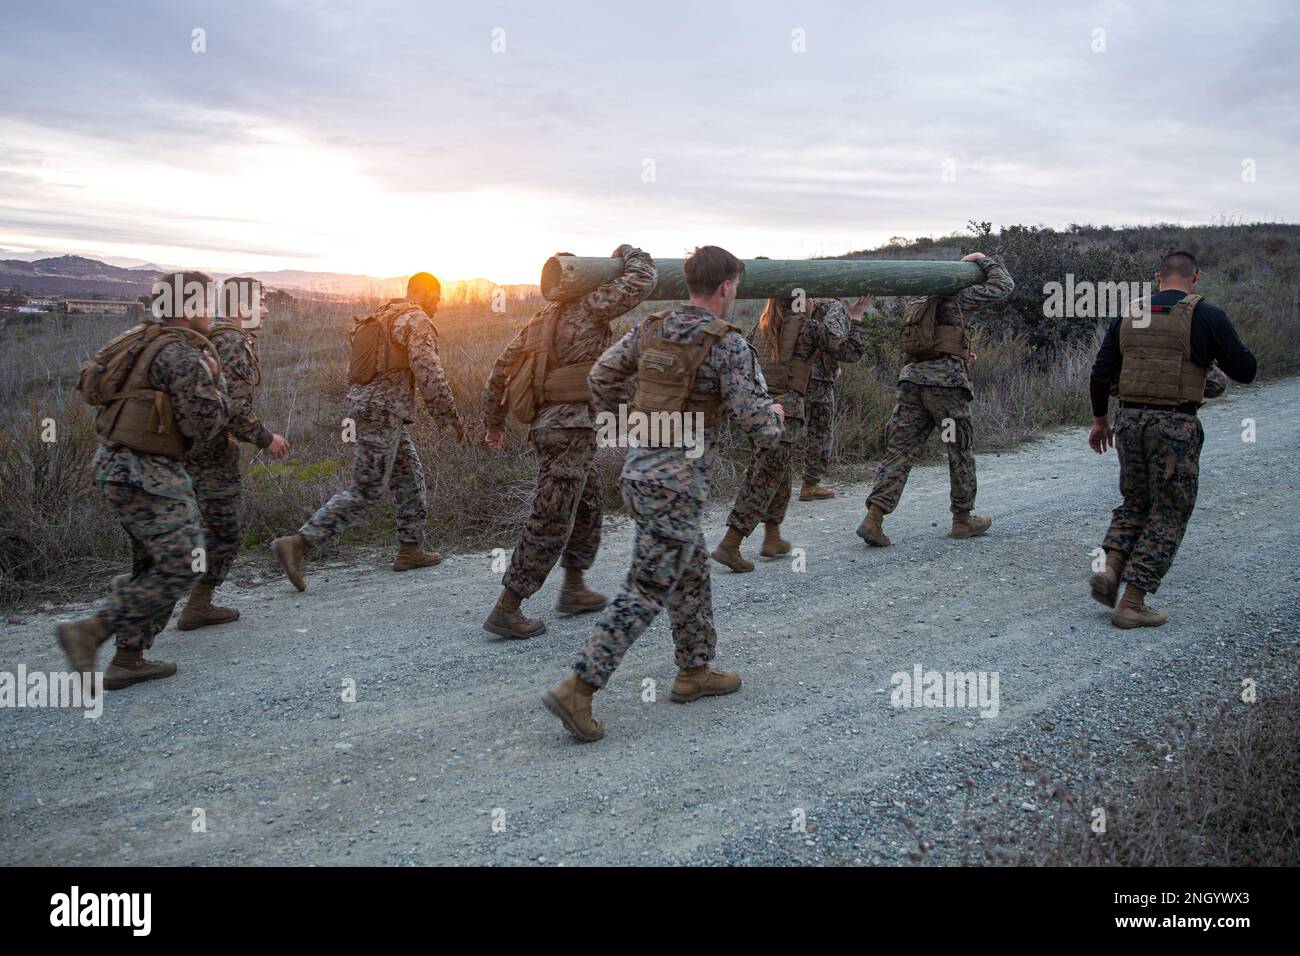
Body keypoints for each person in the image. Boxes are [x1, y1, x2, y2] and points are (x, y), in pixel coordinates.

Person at [542, 246, 784, 742]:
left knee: (690, 571)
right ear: (726, 287)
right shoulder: (729, 345)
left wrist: (633, 425)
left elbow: (600, 377)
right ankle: (578, 687)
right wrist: (775, 418)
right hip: (676, 487)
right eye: (735, 285)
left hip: (640, 476)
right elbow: (760, 427)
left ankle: (695, 670)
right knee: (647, 587)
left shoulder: (650, 328)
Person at [57, 272, 230, 689]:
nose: (212, 312)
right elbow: (205, 423)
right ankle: (93, 629)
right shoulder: (184, 356)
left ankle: (128, 659)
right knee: (184, 560)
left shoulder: (136, 338)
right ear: (188, 308)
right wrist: (214, 378)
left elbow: (92, 386)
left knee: (154, 562)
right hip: (149, 472)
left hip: (115, 464)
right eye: (206, 303)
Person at [479, 245, 656, 638]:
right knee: (552, 516)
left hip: (553, 429)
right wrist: (630, 252)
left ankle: (574, 587)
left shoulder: (539, 321)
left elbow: (498, 373)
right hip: (570, 429)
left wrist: (494, 422)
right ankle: (508, 607)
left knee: (589, 503)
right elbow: (644, 278)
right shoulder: (588, 307)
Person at [1087, 250, 1256, 628]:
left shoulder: (1130, 314)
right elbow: (1246, 371)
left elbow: (1100, 374)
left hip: (1128, 422)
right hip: (1174, 426)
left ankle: (1111, 567)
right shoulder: (1207, 315)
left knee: (1134, 501)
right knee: (1169, 511)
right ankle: (1132, 602)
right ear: (1195, 277)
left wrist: (1100, 421)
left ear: (1157, 278)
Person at [271, 272, 464, 590]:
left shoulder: (381, 317)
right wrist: (449, 416)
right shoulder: (415, 319)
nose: (439, 304)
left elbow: (357, 372)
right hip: (382, 412)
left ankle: (411, 548)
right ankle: (298, 543)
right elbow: (428, 370)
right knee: (366, 488)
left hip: (376, 410)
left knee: (409, 475)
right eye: (438, 297)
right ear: (426, 292)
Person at [857, 252, 1013, 546]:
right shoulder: (957, 299)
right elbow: (1004, 284)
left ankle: (874, 518)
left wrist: (958, 352)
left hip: (913, 382)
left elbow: (927, 345)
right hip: (946, 388)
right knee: (959, 448)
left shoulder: (918, 305)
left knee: (900, 450)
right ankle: (963, 519)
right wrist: (983, 259)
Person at [712, 293, 871, 570]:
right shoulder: (807, 327)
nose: (811, 301)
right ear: (799, 301)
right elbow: (850, 352)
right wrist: (856, 318)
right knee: (764, 475)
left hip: (760, 409)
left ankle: (772, 537)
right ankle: (730, 543)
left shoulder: (761, 326)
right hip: (785, 410)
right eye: (807, 297)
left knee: (779, 472)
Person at [178, 276, 290, 629]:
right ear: (242, 307)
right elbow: (235, 410)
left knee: (196, 524)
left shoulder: (209, 339)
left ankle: (182, 596)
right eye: (261, 301)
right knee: (226, 528)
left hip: (186, 448)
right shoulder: (233, 343)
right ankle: (196, 604)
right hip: (211, 452)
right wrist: (266, 438)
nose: (267, 309)